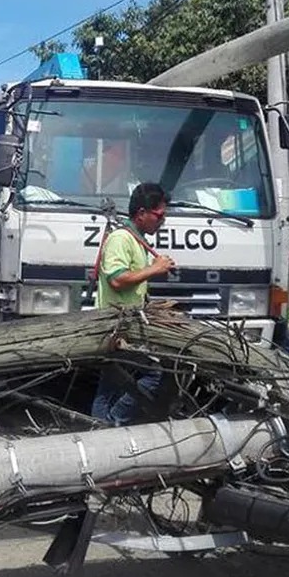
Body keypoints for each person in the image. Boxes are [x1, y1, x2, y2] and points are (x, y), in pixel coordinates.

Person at [90, 182, 175, 426]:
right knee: (153, 374)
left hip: (126, 324)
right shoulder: (120, 239)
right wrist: (154, 269)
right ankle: (114, 422)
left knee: (110, 385)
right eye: (159, 215)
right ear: (141, 213)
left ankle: (101, 428)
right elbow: (117, 280)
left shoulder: (137, 242)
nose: (162, 221)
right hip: (114, 325)